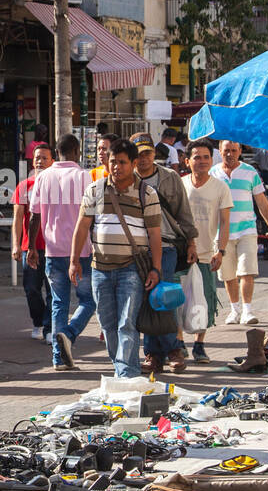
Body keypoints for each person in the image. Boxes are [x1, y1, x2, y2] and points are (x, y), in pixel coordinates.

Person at [69, 138, 163, 379]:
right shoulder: (94, 190)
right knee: (108, 324)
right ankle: (122, 368)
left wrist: (156, 269)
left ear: (133, 164)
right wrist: (73, 260)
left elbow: (154, 234)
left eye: (122, 162)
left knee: (126, 323)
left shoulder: (147, 193)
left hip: (131, 268)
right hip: (99, 268)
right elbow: (82, 228)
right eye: (113, 162)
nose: (116, 167)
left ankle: (126, 374)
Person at [131, 132, 199, 374]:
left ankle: (172, 349)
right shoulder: (127, 180)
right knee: (145, 301)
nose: (143, 159)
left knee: (164, 297)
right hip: (139, 249)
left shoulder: (170, 178)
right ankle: (153, 354)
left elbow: (184, 212)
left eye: (147, 153)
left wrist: (191, 243)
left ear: (154, 154)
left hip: (168, 245)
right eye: (138, 155)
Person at [28, 133, 96, 371]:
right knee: (89, 300)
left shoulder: (43, 177)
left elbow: (34, 215)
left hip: (52, 249)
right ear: (77, 152)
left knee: (58, 303)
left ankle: (58, 357)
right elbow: (93, 216)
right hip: (82, 251)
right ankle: (69, 332)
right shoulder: (84, 177)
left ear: (56, 153)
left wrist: (31, 247)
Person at [211, 140, 268, 324]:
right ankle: (235, 310)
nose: (230, 154)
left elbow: (262, 201)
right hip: (221, 232)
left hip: (246, 229)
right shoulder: (213, 173)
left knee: (246, 270)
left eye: (234, 150)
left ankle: (247, 310)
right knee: (228, 274)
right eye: (226, 150)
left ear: (240, 151)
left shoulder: (250, 172)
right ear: (220, 151)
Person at [182, 139, 231, 363]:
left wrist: (220, 251)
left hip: (207, 253)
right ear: (187, 161)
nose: (201, 161)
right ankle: (178, 343)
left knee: (204, 301)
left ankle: (199, 344)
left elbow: (224, 222)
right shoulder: (181, 184)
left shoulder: (220, 187)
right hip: (181, 252)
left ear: (212, 160)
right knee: (179, 299)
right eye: (197, 157)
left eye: (206, 157)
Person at [12, 141, 53, 342]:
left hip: (54, 247)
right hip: (30, 247)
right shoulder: (23, 186)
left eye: (45, 157)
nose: (40, 161)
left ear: (52, 161)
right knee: (31, 289)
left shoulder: (58, 185)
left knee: (53, 289)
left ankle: (49, 327)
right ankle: (38, 322)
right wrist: (16, 245)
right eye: (37, 157)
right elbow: (17, 218)